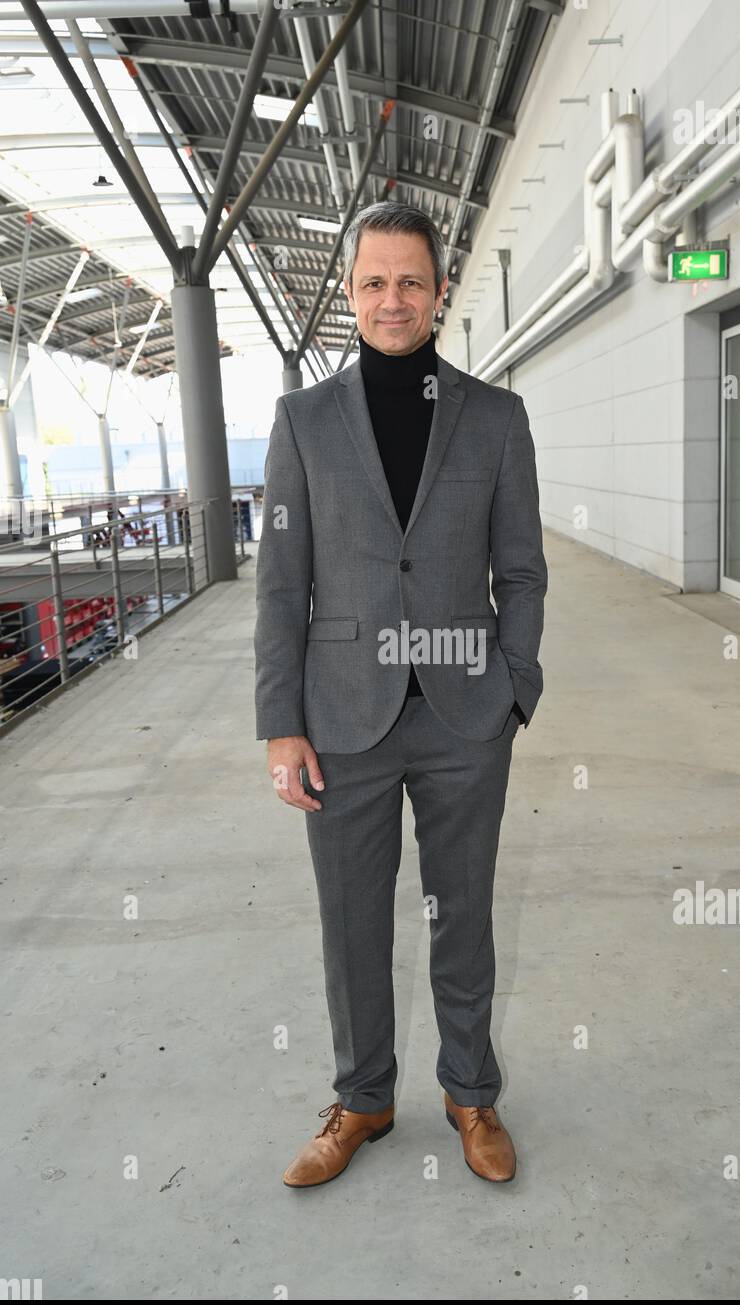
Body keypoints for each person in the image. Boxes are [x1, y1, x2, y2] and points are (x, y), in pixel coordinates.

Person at [254, 201, 546, 1188]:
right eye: (373, 281)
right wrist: (279, 724)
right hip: (342, 714)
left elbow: (525, 570)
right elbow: (280, 583)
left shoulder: (497, 418)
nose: (392, 298)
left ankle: (471, 1091)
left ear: (437, 291)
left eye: (409, 281)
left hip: (468, 715)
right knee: (351, 919)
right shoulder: (300, 422)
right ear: (350, 293)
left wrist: (515, 686)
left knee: (462, 912)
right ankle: (363, 1098)